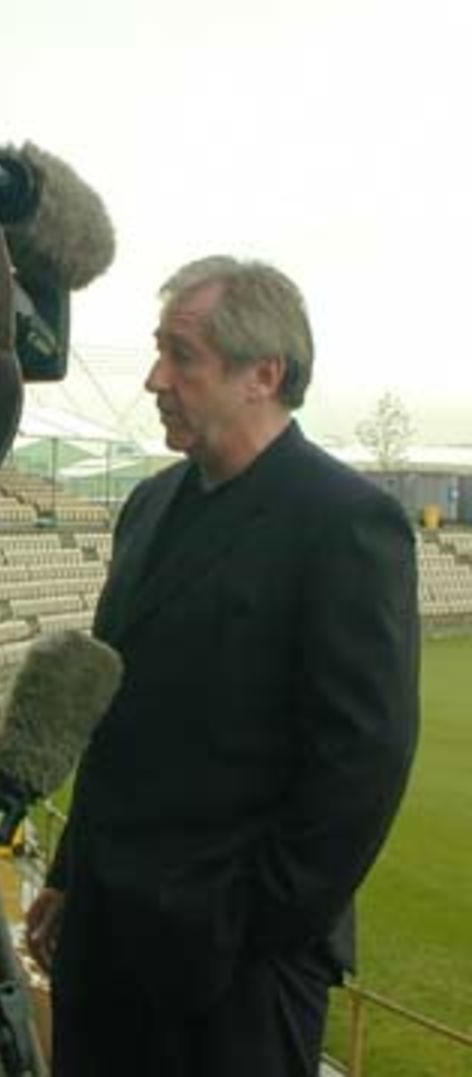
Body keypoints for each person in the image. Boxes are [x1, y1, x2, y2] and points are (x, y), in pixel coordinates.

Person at [25, 256, 420, 1077]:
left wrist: (241, 924)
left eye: (182, 355)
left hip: (236, 975)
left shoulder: (347, 522)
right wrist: (72, 874)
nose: (154, 378)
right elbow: (111, 711)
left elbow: (362, 763)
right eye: (157, 350)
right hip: (105, 944)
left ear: (263, 375)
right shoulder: (148, 506)